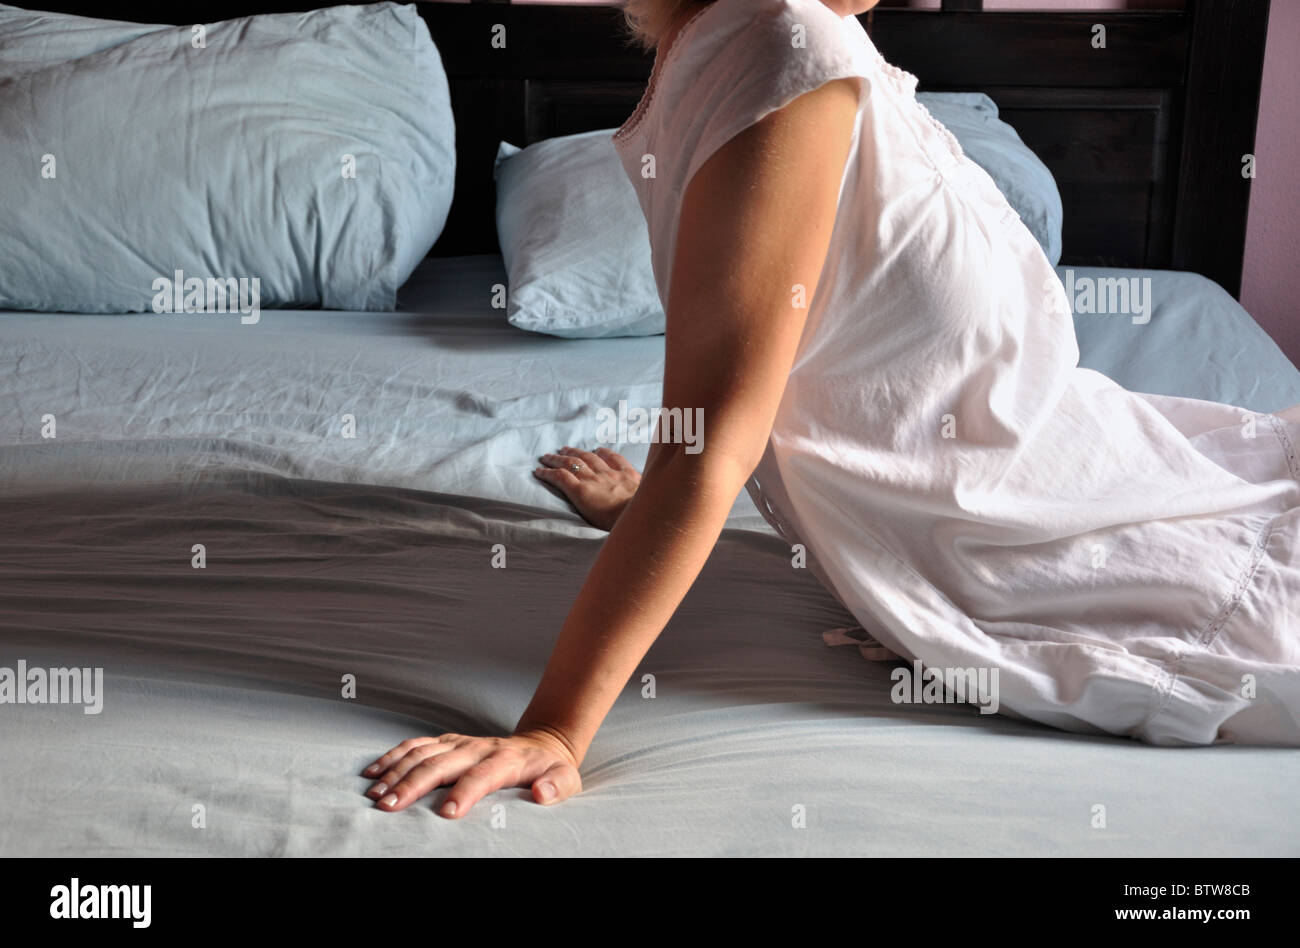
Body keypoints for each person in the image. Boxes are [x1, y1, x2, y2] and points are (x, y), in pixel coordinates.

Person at [362, 0, 1300, 818]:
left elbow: (819, 354)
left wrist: (648, 509)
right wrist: (558, 729)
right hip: (1061, 549)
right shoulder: (783, 47)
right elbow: (721, 433)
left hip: (1116, 472)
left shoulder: (782, 37)